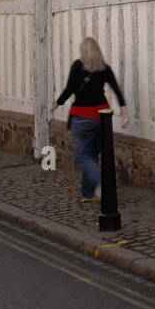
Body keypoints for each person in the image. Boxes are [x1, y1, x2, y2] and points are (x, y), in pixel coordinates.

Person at [50, 37, 129, 201]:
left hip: (82, 116)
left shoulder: (78, 66)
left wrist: (56, 104)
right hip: (101, 117)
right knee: (92, 154)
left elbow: (70, 88)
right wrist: (124, 114)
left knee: (82, 156)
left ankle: (103, 182)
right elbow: (116, 90)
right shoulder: (104, 68)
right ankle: (88, 192)